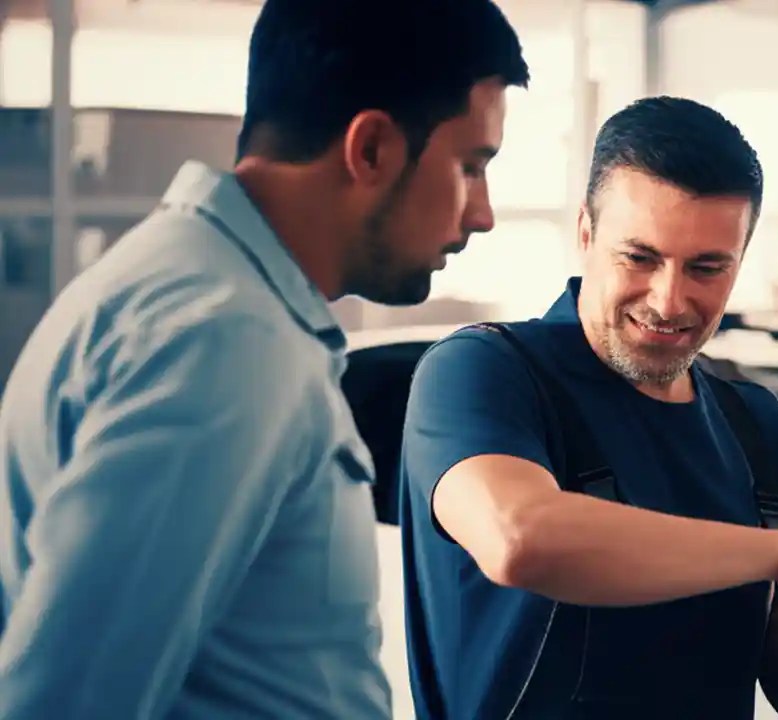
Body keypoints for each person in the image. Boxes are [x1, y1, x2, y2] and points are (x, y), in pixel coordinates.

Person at [400, 96, 778, 720]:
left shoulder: (753, 423)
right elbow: (520, 538)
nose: (670, 300)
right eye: (640, 258)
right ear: (586, 233)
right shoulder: (484, 372)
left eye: (706, 268)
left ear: (741, 261)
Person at [0, 1, 528, 717]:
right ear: (370, 148)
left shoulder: (192, 286)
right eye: (471, 166)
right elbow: (66, 703)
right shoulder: (226, 343)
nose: (481, 214)